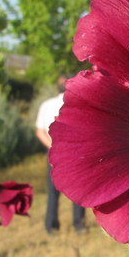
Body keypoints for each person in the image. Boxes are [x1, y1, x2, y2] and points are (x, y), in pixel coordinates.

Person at [35, 74, 86, 234]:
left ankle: (52, 226)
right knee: (78, 190)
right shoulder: (77, 103)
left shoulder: (46, 105)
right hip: (75, 152)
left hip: (53, 153)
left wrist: (54, 147)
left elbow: (39, 131)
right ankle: (79, 225)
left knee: (52, 192)